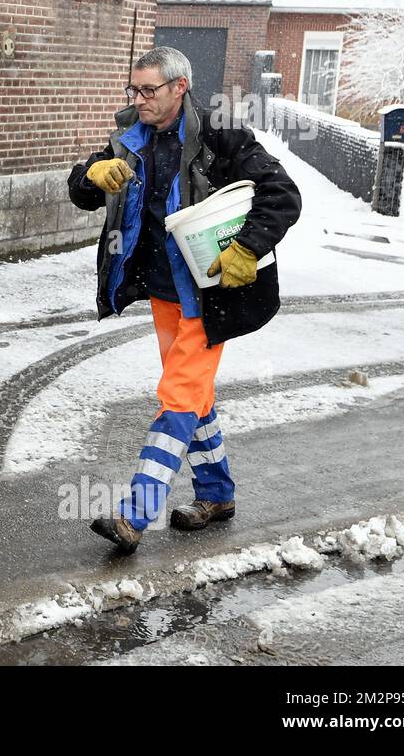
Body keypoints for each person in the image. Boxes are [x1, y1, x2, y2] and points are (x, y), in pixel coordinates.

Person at [66, 46, 302, 552]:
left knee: (178, 395)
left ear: (180, 87)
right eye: (134, 88)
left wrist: (248, 248)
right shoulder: (129, 136)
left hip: (213, 292)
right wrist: (91, 176)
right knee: (196, 396)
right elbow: (81, 190)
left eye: (149, 89)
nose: (139, 98)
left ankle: (135, 515)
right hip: (163, 292)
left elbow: (283, 193)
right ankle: (217, 495)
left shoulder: (221, 137)